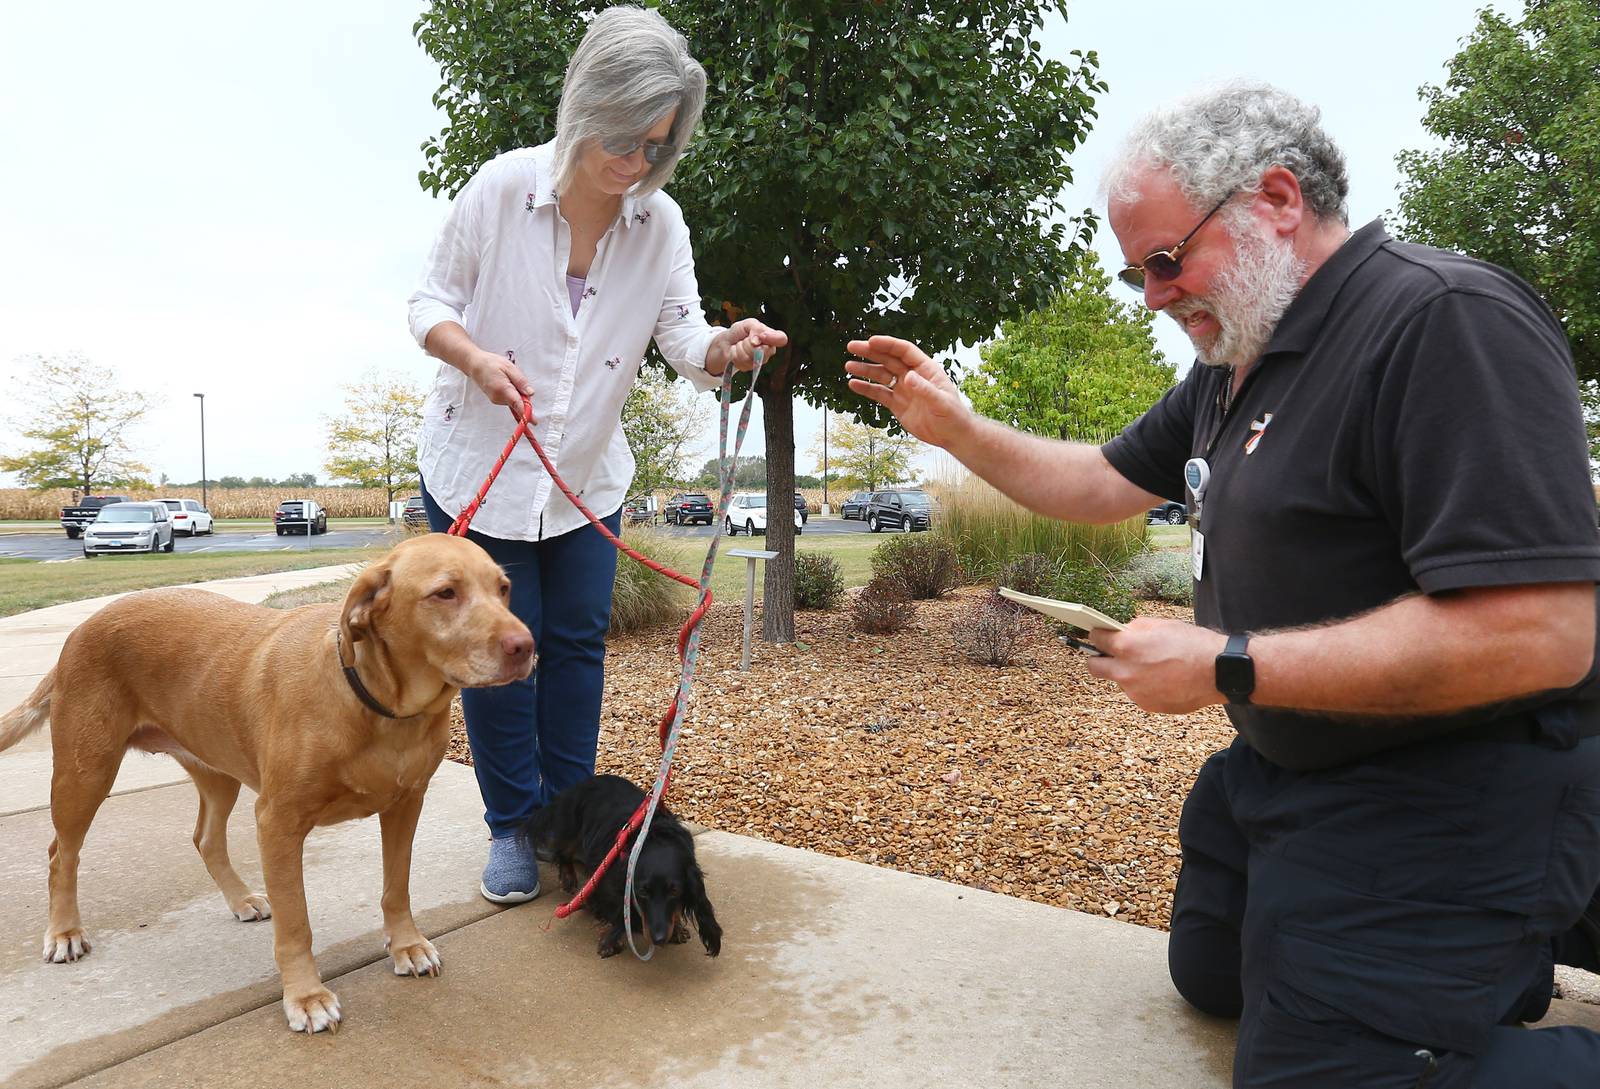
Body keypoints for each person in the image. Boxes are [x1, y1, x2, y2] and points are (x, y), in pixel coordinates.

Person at [845, 82, 1600, 1087]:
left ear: (1277, 199)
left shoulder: (1444, 322)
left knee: (1316, 1073)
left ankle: (1467, 975)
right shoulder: (1240, 358)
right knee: (1212, 974)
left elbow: (1539, 634)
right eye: (1137, 273)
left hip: (1458, 783)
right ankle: (1475, 973)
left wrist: (1232, 665)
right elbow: (1105, 481)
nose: (1156, 292)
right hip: (1294, 773)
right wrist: (958, 430)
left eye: (1166, 259)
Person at [407, 5, 785, 905]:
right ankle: (512, 827)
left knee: (575, 648)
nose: (637, 162)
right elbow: (427, 303)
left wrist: (726, 348)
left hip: (583, 483)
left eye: (658, 145)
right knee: (503, 655)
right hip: (479, 475)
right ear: (585, 105)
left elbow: (684, 338)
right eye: (625, 137)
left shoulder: (660, 225)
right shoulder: (501, 189)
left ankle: (567, 826)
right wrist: (476, 358)